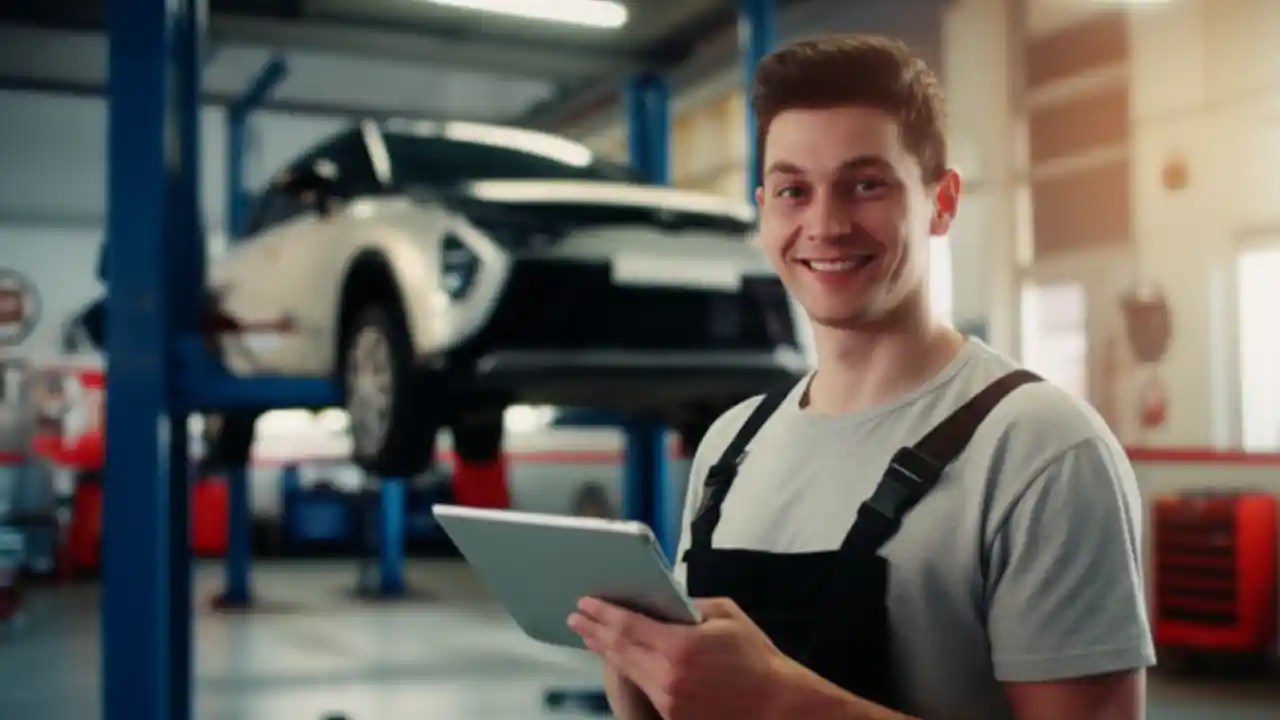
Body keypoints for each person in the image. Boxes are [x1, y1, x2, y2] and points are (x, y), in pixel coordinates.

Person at [567, 33, 1155, 720]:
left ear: (942, 201)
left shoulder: (1040, 450)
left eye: (866, 185)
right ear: (763, 208)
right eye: (793, 190)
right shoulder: (730, 445)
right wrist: (644, 679)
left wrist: (779, 701)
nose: (826, 223)